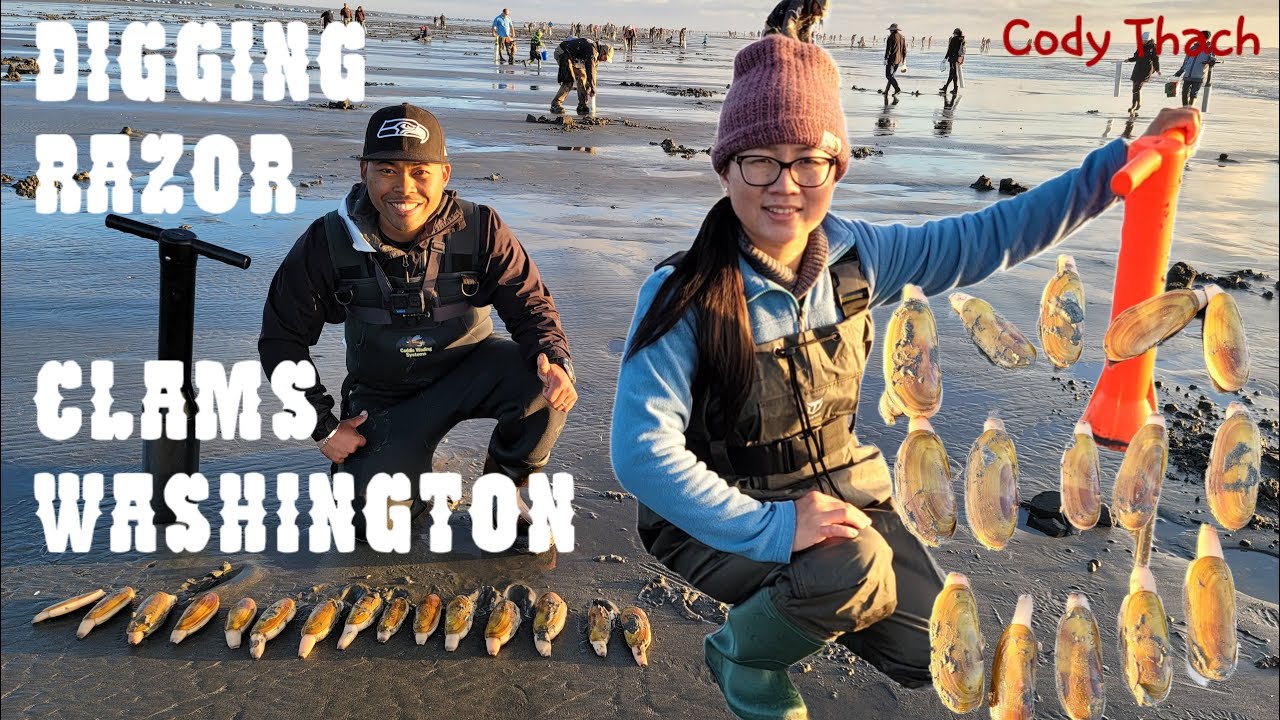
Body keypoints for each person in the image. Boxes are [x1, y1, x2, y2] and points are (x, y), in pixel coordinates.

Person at [609, 33, 1202, 720]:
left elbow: (991, 236)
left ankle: (809, 596)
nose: (785, 186)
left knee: (938, 655)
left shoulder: (863, 259)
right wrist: (776, 529)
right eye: (760, 162)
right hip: (718, 520)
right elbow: (640, 453)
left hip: (842, 496)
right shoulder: (684, 292)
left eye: (809, 163)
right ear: (725, 168)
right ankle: (745, 654)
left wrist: (1118, 165)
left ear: (837, 166)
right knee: (851, 568)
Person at [259, 103, 578, 542]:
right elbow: (281, 339)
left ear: (444, 175)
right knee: (372, 526)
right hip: (384, 393)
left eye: (419, 172)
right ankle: (403, 482)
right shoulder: (326, 240)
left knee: (541, 382)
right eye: (387, 170)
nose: (403, 188)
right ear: (364, 170)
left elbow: (531, 305)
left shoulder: (482, 228)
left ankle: (505, 486)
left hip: (473, 369)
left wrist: (555, 359)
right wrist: (324, 425)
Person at [550, 38, 614, 115]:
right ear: (603, 52)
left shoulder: (596, 54)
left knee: (583, 77)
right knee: (569, 79)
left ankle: (582, 104)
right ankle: (555, 104)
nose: (604, 60)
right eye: (605, 58)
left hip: (574, 58)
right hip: (563, 52)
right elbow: (590, 71)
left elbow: (593, 73)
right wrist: (593, 88)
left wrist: (591, 87)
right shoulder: (592, 51)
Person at [1175, 30, 1216, 107]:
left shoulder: (1210, 49)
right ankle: (1185, 110)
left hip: (1199, 76)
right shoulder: (1193, 47)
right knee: (1184, 94)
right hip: (1187, 75)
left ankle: (1190, 111)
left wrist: (1212, 61)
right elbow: (1186, 60)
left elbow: (1213, 59)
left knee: (1193, 94)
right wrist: (1180, 71)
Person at [1125, 32, 1161, 114]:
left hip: (1146, 70)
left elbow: (1156, 59)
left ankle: (1134, 106)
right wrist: (1129, 60)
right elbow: (1136, 57)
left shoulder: (1153, 48)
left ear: (1148, 40)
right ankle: (1136, 104)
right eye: (1142, 40)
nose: (1142, 42)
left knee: (1136, 88)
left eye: (1144, 40)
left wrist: (1158, 70)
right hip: (1137, 69)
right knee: (1135, 88)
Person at [762, 0, 828, 44]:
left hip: (794, 32)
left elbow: (807, 36)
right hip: (773, 31)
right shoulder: (798, 3)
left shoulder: (812, 14)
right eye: (819, 8)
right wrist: (798, 46)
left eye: (821, 12)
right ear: (815, 2)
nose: (818, 12)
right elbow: (788, 26)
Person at [940, 27, 965, 95]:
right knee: (951, 73)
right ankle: (946, 86)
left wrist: (945, 58)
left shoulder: (954, 39)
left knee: (953, 73)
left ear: (955, 33)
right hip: (959, 58)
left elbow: (950, 50)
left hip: (953, 58)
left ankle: (955, 88)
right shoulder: (962, 39)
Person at [883, 22, 906, 96]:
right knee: (891, 76)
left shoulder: (891, 37)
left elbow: (888, 49)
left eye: (890, 30)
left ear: (892, 30)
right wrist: (904, 61)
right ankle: (886, 91)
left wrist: (885, 58)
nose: (890, 31)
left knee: (888, 75)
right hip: (899, 59)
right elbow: (904, 50)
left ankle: (897, 89)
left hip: (892, 59)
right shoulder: (902, 37)